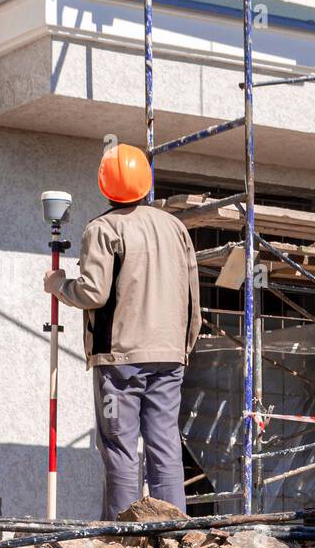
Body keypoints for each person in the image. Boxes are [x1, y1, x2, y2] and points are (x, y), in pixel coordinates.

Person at [44, 142, 201, 519]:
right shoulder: (175, 227)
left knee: (120, 446)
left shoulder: (103, 228)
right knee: (165, 443)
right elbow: (194, 298)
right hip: (169, 356)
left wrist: (58, 285)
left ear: (105, 185)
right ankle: (172, 532)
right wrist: (184, 347)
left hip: (121, 359)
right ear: (145, 183)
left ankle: (123, 535)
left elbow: (93, 293)